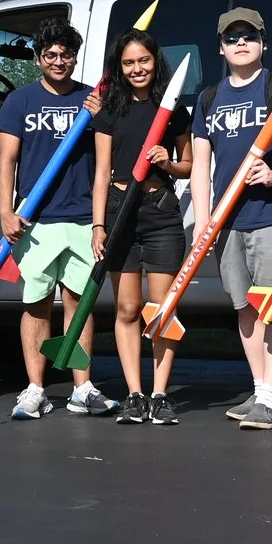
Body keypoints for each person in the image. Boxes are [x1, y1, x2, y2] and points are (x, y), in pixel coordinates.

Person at [0, 18, 112, 419]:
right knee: (36, 302)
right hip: (35, 220)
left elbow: (103, 164)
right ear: (39, 58)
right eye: (51, 54)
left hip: (80, 216)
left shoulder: (93, 100)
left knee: (79, 304)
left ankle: (83, 388)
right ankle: (35, 389)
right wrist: (7, 212)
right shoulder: (20, 102)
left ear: (76, 57)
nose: (59, 61)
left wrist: (99, 117)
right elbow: (6, 162)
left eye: (66, 54)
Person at [190, 8, 272, 430]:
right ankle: (258, 391)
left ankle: (270, 397)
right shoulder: (209, 98)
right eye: (232, 37)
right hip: (227, 221)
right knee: (244, 309)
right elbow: (201, 164)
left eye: (249, 36)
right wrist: (204, 219)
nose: (241, 43)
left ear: (263, 42)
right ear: (221, 47)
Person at [91, 29, 192, 424]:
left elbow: (189, 164)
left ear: (156, 61)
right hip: (118, 209)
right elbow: (101, 173)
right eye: (129, 62)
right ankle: (134, 393)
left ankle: (160, 393)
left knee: (162, 309)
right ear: (119, 66)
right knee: (128, 307)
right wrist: (98, 225)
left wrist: (168, 161)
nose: (137, 69)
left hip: (160, 209)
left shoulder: (174, 109)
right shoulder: (109, 109)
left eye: (144, 61)